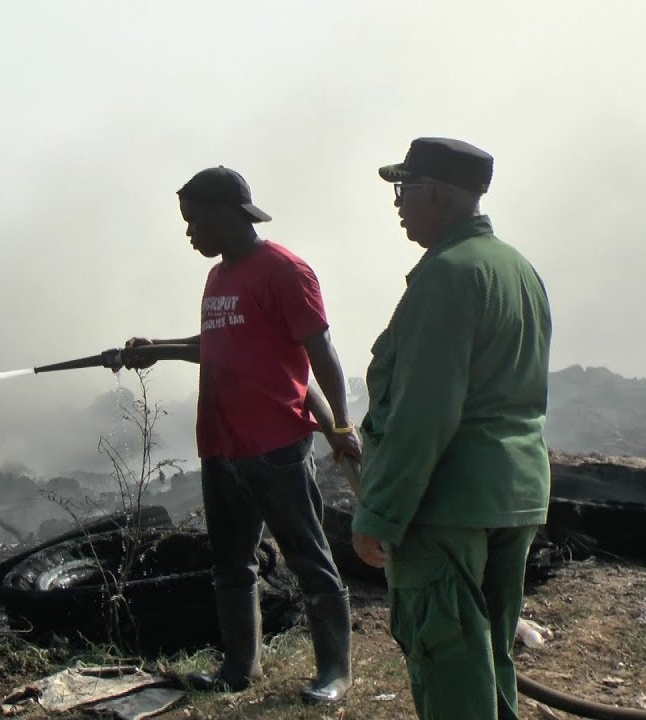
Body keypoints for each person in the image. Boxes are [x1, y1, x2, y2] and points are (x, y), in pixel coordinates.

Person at [118, 165, 361, 703]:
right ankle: (239, 666)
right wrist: (152, 347)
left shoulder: (284, 270)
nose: (189, 234)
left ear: (227, 215)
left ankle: (335, 674)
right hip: (221, 443)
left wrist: (340, 426)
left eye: (194, 221)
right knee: (231, 560)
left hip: (275, 446)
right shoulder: (219, 276)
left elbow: (321, 352)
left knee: (307, 555)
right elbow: (216, 343)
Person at [352, 137, 553, 720]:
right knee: (489, 659)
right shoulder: (518, 268)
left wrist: (379, 514)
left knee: (449, 672)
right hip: (513, 496)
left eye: (404, 188)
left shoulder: (447, 275)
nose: (398, 203)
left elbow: (423, 414)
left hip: (449, 506)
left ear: (436, 193)